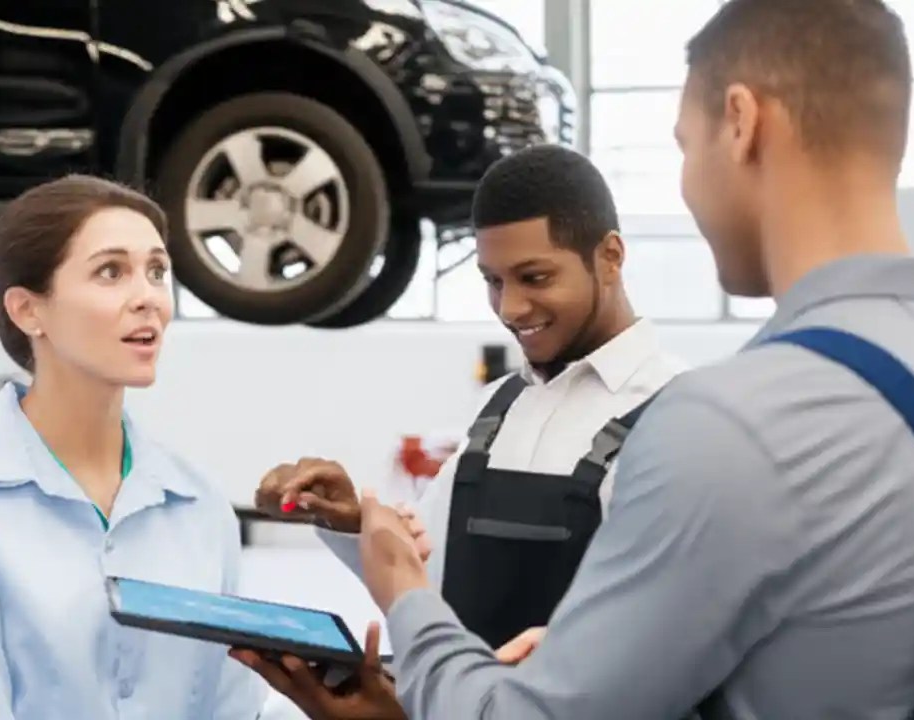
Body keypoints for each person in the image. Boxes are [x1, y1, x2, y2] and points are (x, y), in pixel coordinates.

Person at [241, 0, 914, 718]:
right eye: (492, 282)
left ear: (742, 122)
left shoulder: (725, 424)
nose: (687, 186)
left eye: (684, 146)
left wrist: (405, 601)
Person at [237, 145, 689, 715]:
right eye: (492, 281)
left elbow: (670, 654)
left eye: (535, 277)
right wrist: (355, 525)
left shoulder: (679, 417)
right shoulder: (499, 407)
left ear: (610, 257)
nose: (512, 307)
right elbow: (424, 577)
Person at [0, 175, 267, 719]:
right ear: (27, 311)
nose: (148, 298)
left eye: (157, 272)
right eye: (111, 271)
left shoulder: (198, 504)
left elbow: (231, 706)